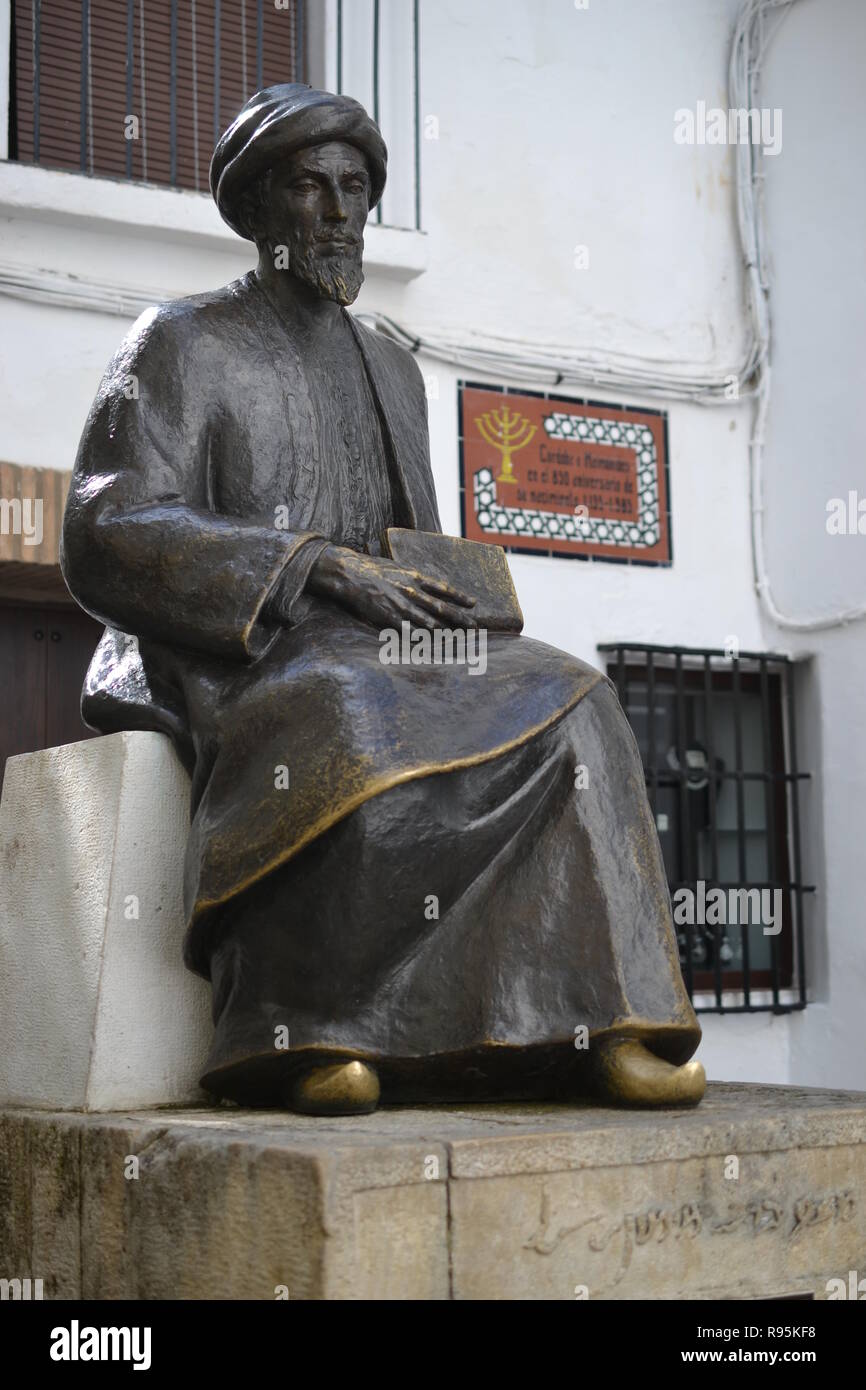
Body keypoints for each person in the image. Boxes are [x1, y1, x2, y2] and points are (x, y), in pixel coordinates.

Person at [61, 85, 705, 1114]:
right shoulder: (179, 342)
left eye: (354, 189)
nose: (337, 211)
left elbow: (411, 543)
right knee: (348, 714)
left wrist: (455, 598)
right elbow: (107, 527)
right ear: (258, 210)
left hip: (392, 641)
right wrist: (312, 564)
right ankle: (303, 1030)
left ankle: (600, 1019)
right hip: (255, 646)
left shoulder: (391, 367)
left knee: (573, 698)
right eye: (310, 187)